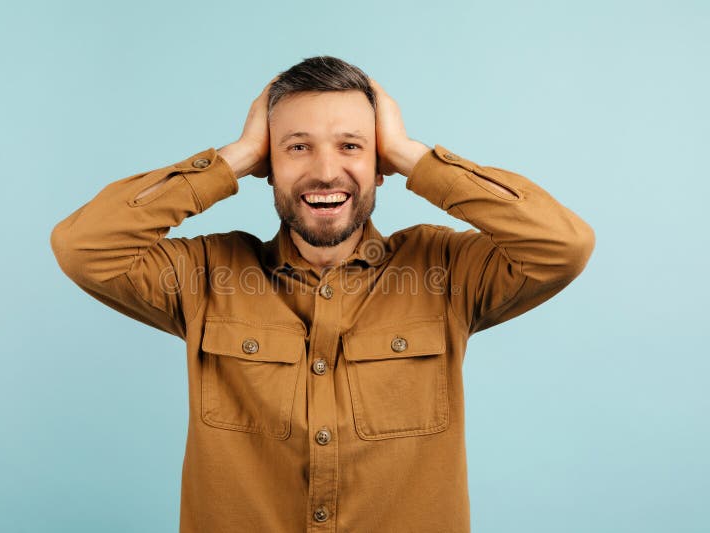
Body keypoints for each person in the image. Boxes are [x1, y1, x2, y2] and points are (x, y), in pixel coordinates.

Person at [50, 55, 595, 532]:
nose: (325, 171)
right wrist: (231, 158)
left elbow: (562, 245)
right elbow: (84, 246)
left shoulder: (448, 271)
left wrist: (412, 156)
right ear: (269, 167)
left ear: (380, 165)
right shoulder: (205, 275)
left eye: (352, 146)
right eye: (298, 148)